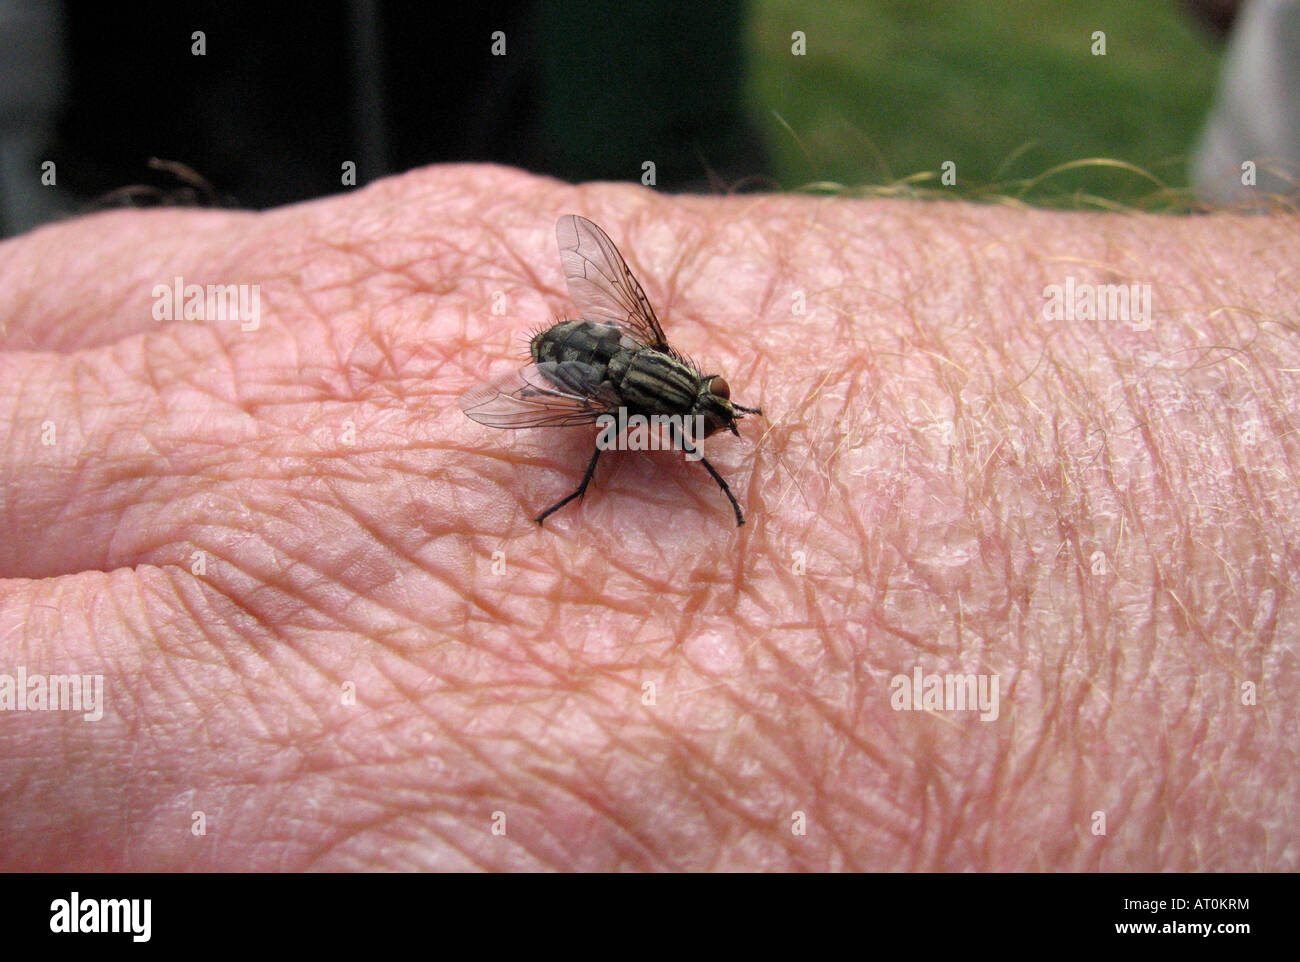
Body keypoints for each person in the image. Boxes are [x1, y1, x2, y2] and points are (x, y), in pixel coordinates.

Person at [0, 164, 1293, 870]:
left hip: (603, 355)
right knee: (600, 457)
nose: (715, 419)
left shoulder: (671, 380)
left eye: (711, 410)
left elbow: (626, 332)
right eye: (709, 415)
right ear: (681, 394)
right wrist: (615, 459)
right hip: (587, 371)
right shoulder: (637, 409)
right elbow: (593, 407)